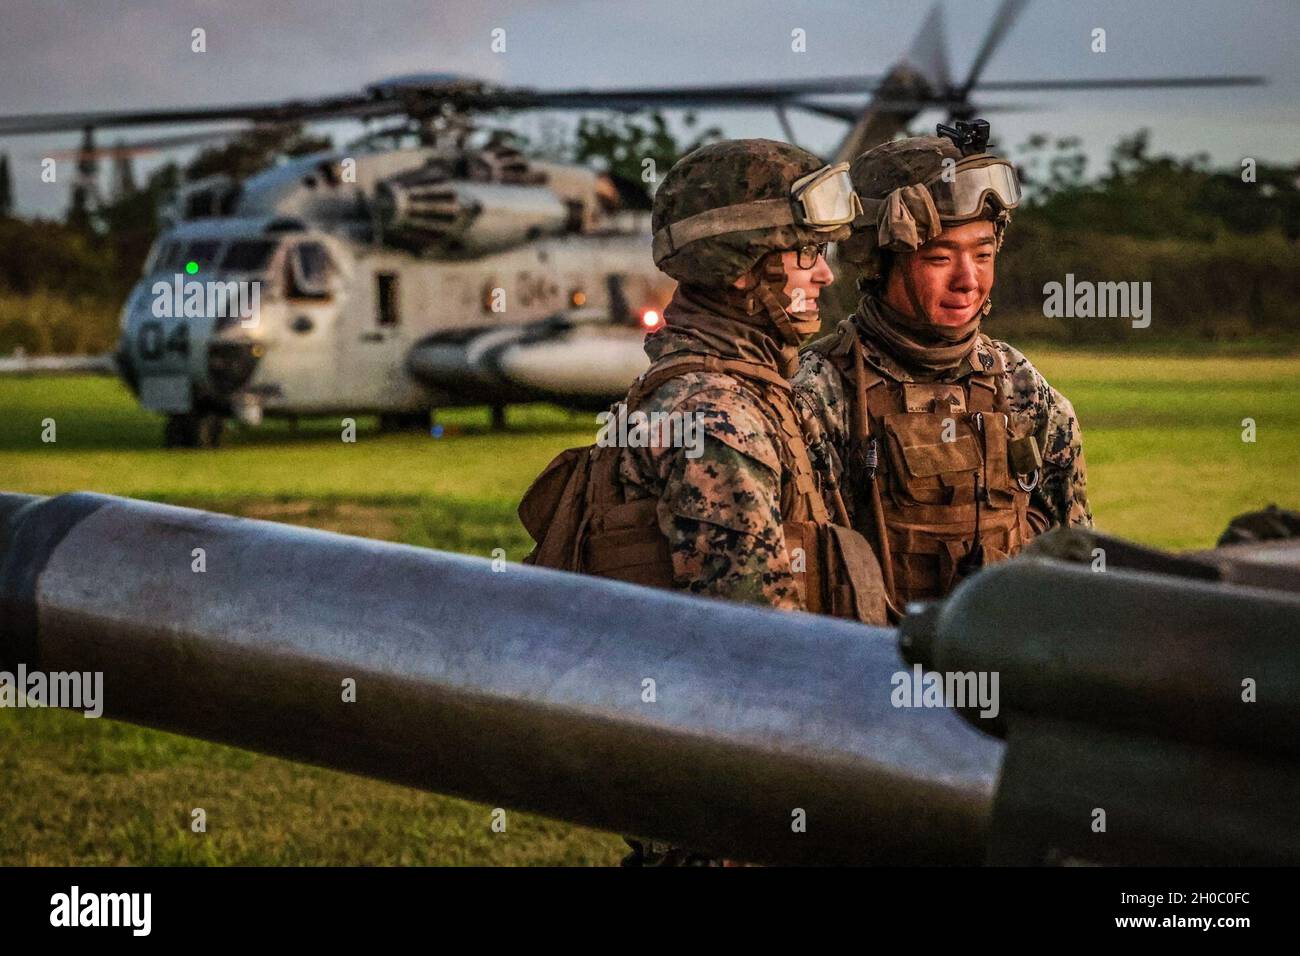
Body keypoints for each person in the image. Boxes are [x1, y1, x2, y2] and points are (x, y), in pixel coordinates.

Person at [517, 138, 887, 865]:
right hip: (734, 814)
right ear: (741, 267)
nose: (823, 274)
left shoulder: (745, 395)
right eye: (804, 253)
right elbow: (761, 649)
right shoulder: (718, 418)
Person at [793, 121, 1092, 619]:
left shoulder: (1021, 387)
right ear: (878, 262)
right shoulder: (818, 393)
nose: (968, 281)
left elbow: (1074, 556)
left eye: (983, 254)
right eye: (939, 258)